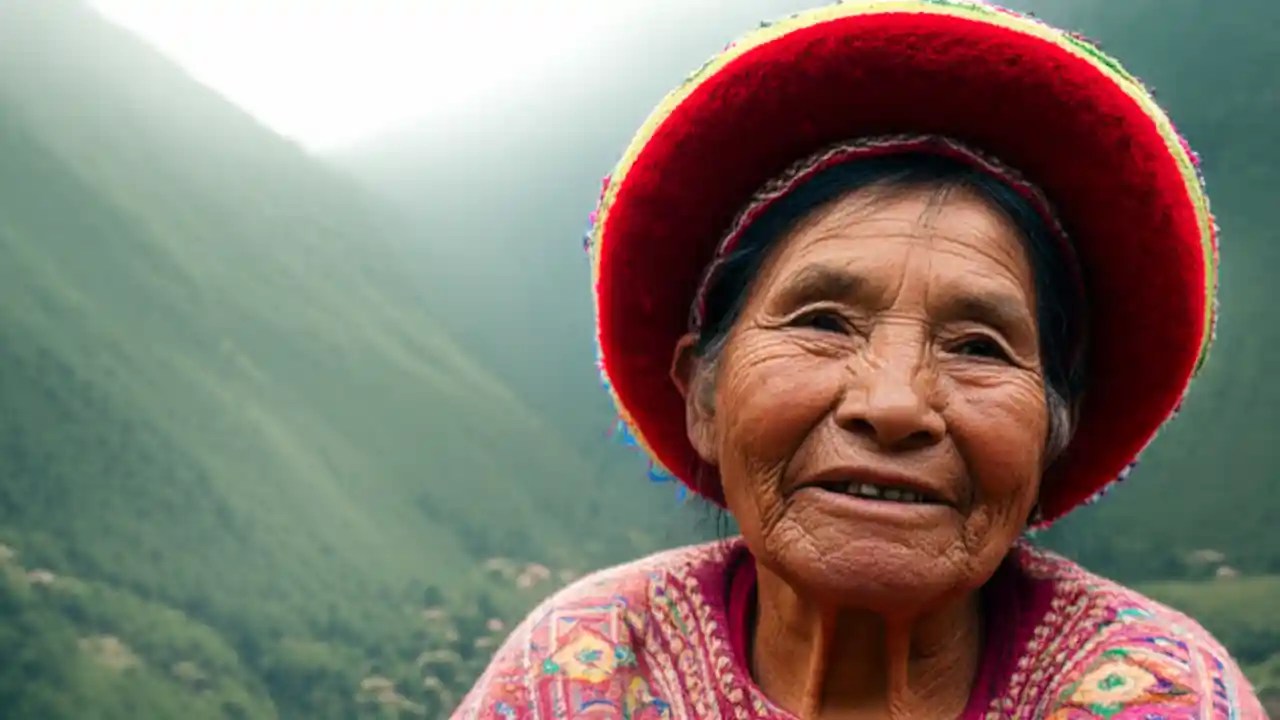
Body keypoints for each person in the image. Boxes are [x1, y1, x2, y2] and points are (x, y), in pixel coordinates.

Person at [454, 1, 1265, 718]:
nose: (895, 404)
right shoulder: (578, 670)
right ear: (703, 394)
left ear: (1054, 430)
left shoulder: (1162, 693)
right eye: (825, 323)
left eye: (979, 347)